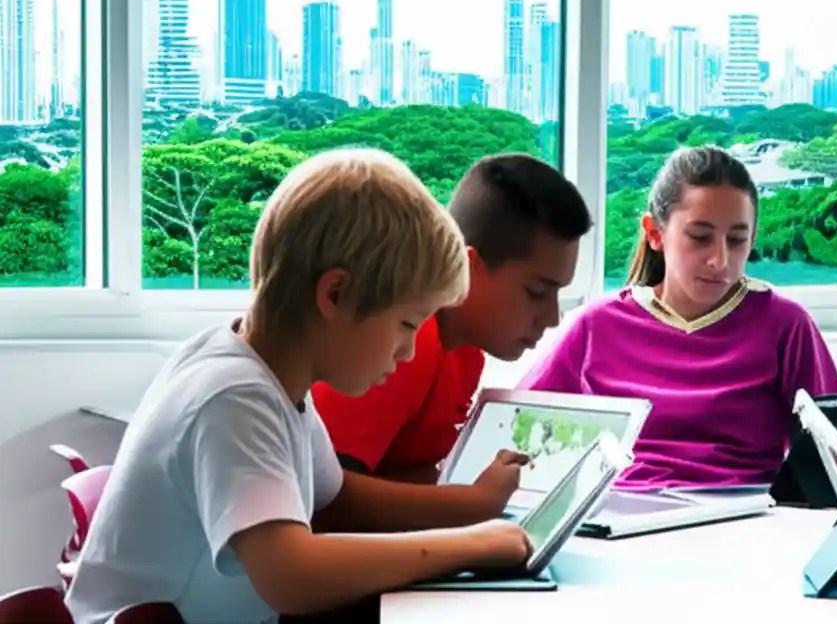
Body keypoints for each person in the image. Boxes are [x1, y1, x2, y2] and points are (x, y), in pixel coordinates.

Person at [66, 149, 530, 624]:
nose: (408, 351)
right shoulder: (235, 397)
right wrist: (471, 545)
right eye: (407, 323)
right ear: (335, 295)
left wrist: (472, 506)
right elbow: (292, 576)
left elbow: (338, 498)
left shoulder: (268, 378)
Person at [518, 145, 837, 490]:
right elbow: (516, 426)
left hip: (742, 521)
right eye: (700, 238)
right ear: (655, 233)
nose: (719, 260)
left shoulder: (785, 323)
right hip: (618, 517)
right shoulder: (597, 324)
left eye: (736, 240)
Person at [311, 153, 591, 520]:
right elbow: (323, 498)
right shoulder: (402, 342)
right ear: (468, 267)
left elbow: (409, 476)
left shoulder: (465, 353)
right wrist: (472, 505)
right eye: (537, 291)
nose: (552, 318)